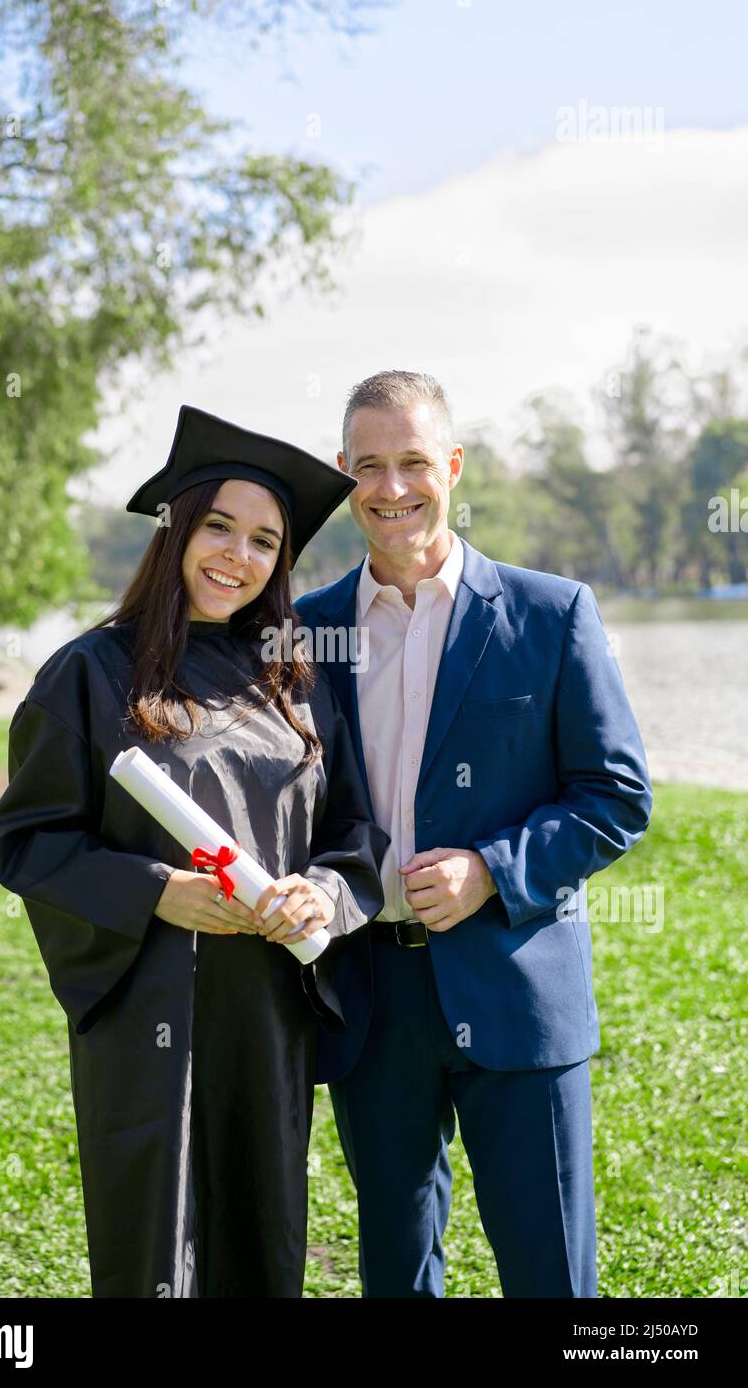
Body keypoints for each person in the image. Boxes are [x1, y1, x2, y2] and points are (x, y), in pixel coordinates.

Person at [0, 405, 388, 1299]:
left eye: (262, 541)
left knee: (261, 1228)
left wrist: (323, 892)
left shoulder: (293, 683)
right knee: (155, 1244)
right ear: (176, 528)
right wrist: (156, 891)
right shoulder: (90, 673)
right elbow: (28, 842)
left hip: (266, 1010)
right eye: (218, 526)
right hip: (150, 1007)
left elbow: (354, 834)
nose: (236, 556)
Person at [293, 370, 654, 1298]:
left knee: (552, 1277)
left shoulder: (551, 613)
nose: (392, 488)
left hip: (519, 993)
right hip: (374, 1004)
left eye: (414, 461)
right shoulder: (307, 631)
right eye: (368, 466)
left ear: (452, 465)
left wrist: (493, 871)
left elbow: (615, 794)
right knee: (397, 1274)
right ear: (344, 476)